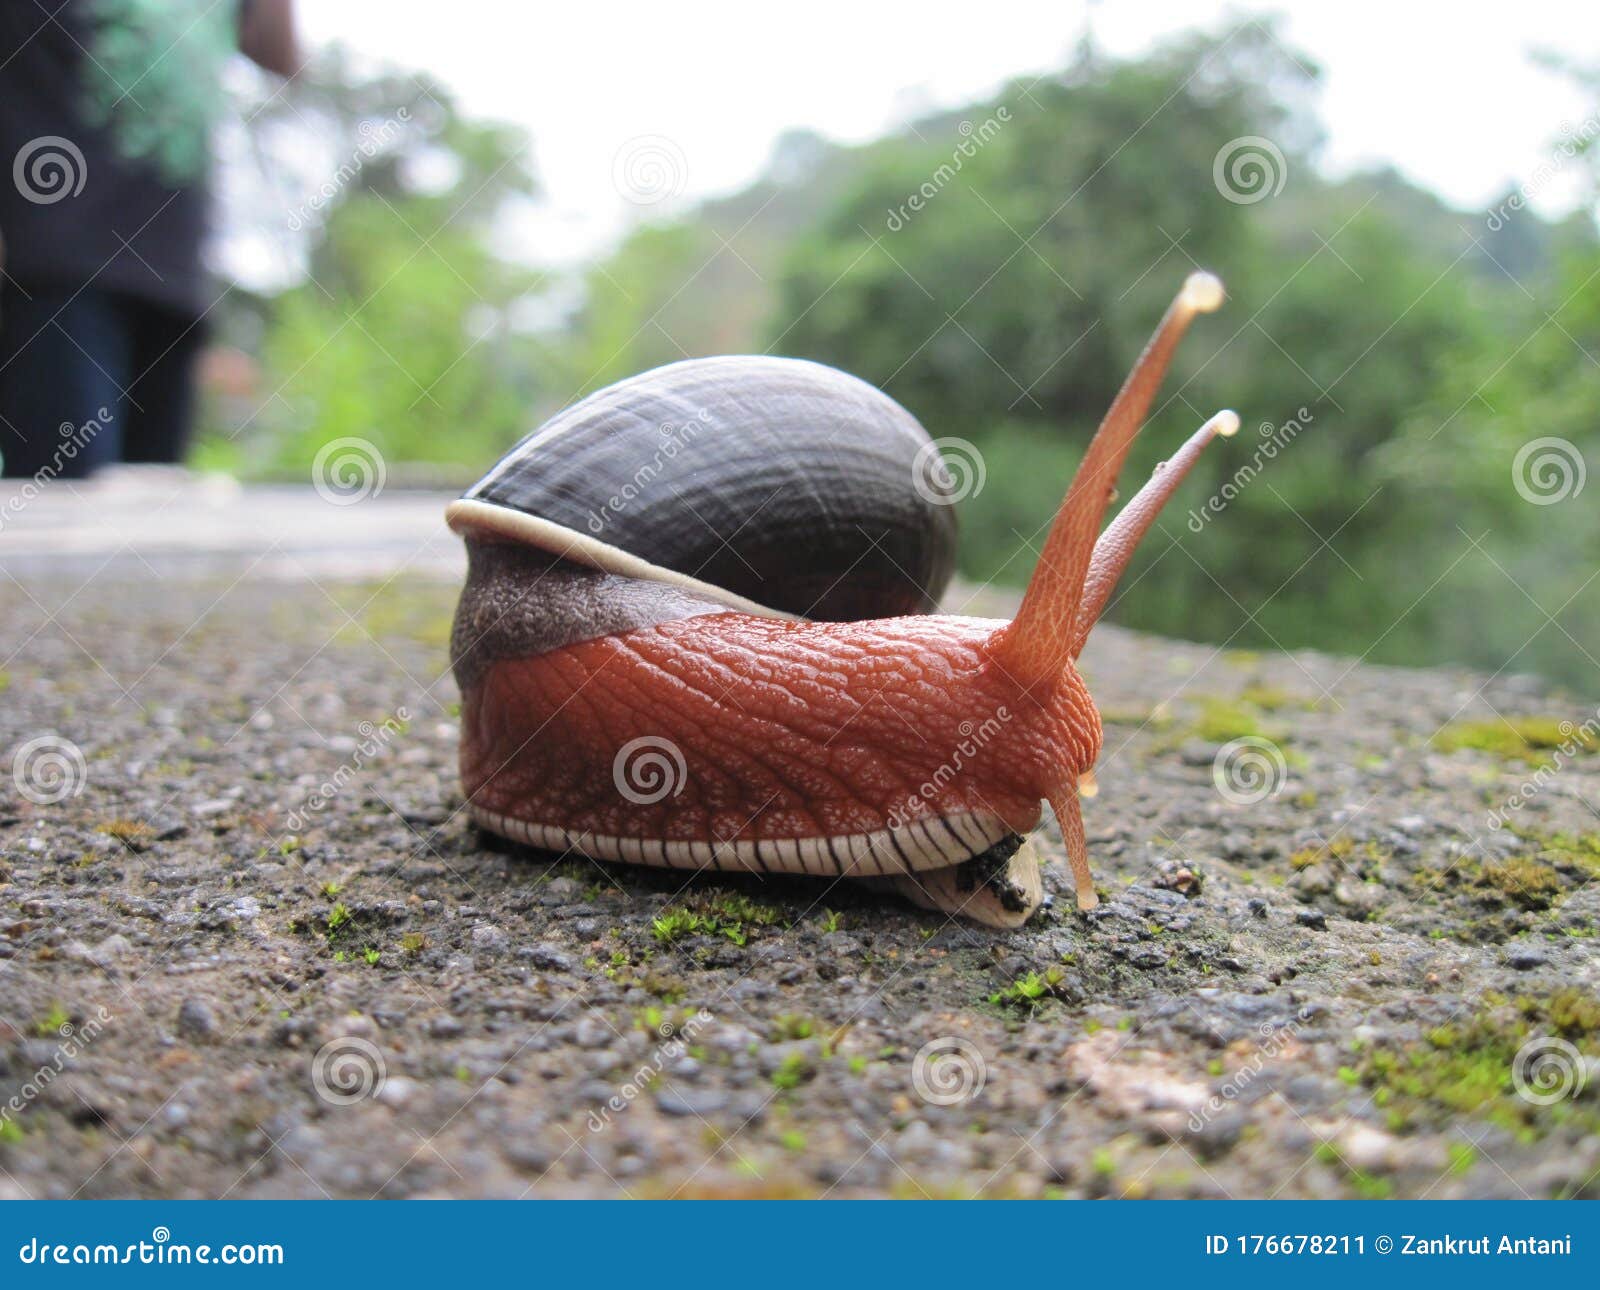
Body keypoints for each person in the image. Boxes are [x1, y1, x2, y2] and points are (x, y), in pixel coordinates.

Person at [0, 0, 299, 481]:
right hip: (60, 272)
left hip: (176, 281)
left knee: (150, 526)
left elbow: (282, 58)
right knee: (66, 515)